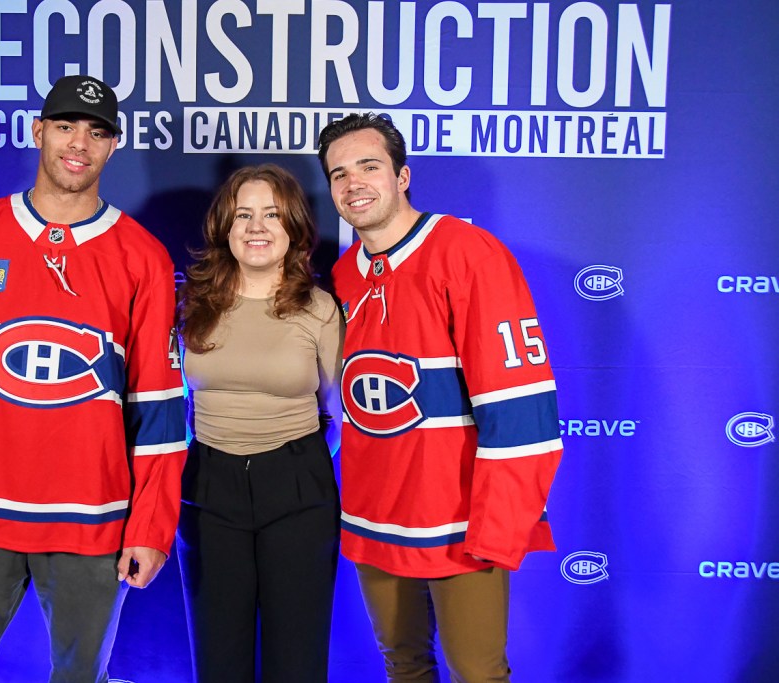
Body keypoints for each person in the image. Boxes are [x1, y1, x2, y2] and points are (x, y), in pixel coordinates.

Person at [0, 75, 186, 683]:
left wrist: (152, 526)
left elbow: (161, 408)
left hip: (93, 518)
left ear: (114, 146)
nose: (79, 142)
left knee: (80, 678)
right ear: (38, 132)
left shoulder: (142, 257)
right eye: (64, 126)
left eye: (97, 131)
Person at [316, 113, 562, 683]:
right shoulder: (347, 272)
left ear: (402, 176)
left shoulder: (467, 253)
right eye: (339, 173)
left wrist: (497, 527)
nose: (354, 183)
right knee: (403, 665)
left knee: (476, 671)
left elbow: (520, 405)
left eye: (369, 166)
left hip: (456, 520)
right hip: (376, 515)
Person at [176, 164, 344, 683]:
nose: (257, 227)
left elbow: (336, 413)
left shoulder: (318, 309)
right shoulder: (190, 306)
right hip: (206, 488)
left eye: (272, 214)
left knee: (296, 659)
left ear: (293, 227)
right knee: (218, 657)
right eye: (244, 214)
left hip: (297, 488)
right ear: (225, 227)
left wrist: (293, 464)